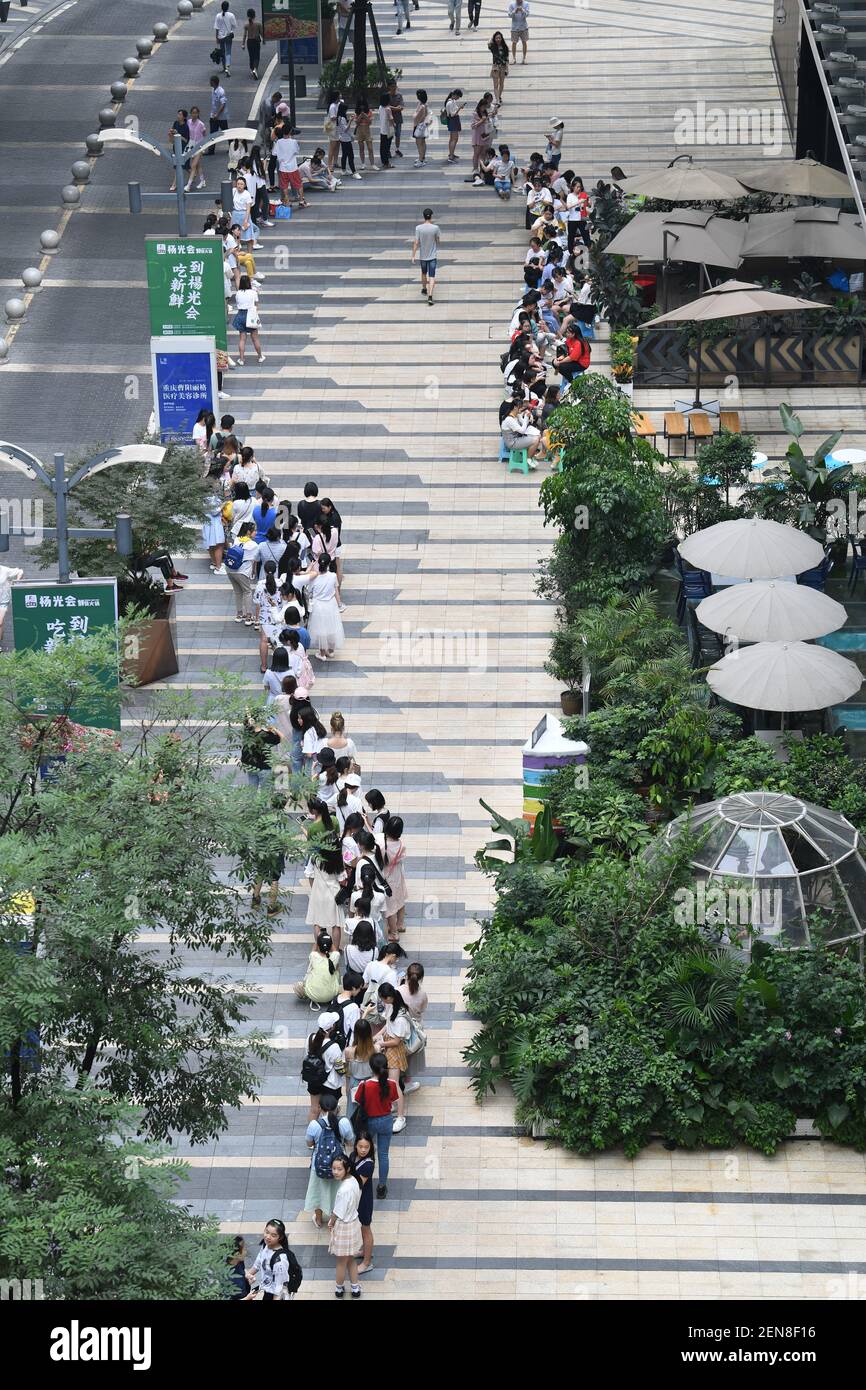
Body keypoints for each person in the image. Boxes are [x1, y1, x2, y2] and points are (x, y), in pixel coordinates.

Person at [304, 1092, 354, 1228]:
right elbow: (350, 1142)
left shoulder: (314, 1125)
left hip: (319, 1166)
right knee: (337, 1193)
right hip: (339, 1166)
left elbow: (309, 1144)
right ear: (337, 1108)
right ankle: (334, 1219)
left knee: (318, 1192)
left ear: (320, 1108)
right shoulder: (343, 1122)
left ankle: (319, 1219)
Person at [353, 1053, 398, 1197]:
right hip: (386, 1121)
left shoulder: (365, 1085)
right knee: (384, 1154)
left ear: (371, 1067)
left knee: (365, 1151)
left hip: (369, 1122)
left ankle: (363, 1178)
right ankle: (381, 1186)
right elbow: (393, 1100)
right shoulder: (391, 1084)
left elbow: (358, 1100)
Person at [328, 1155, 362, 1297]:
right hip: (354, 1224)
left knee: (341, 1261)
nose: (335, 1172)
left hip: (343, 1226)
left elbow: (338, 1212)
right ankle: (355, 1287)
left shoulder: (343, 1190)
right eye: (334, 1168)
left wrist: (331, 1221)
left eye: (339, 1169)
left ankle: (339, 1288)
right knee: (351, 1259)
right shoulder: (354, 1180)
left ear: (347, 1169)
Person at [242, 1220, 295, 1300]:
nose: (268, 1237)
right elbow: (258, 1264)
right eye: (267, 1232)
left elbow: (280, 1288)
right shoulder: (266, 1245)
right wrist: (244, 1278)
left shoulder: (280, 1260)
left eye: (273, 1235)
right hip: (268, 1287)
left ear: (280, 1237)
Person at [398, 961, 428, 1094]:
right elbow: (422, 1009)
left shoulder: (398, 990)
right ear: (421, 978)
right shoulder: (422, 994)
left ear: (406, 975)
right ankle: (407, 1081)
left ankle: (397, 1076)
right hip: (415, 1028)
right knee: (410, 1054)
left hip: (399, 1026)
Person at [307, 554, 344, 660]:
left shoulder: (314, 578)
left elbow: (309, 591)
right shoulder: (332, 576)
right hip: (331, 604)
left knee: (321, 629)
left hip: (318, 605)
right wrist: (339, 603)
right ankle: (331, 651)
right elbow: (336, 591)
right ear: (328, 564)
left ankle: (322, 653)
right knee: (333, 626)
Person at [295, 935, 342, 1011]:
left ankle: (309, 995)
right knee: (336, 967)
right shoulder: (335, 956)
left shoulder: (314, 956)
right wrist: (329, 941)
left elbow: (313, 950)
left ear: (318, 946)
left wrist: (318, 939)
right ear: (331, 945)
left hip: (313, 995)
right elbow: (335, 951)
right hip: (331, 995)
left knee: (297, 986)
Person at [351, 1133, 376, 1273]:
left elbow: (358, 1183)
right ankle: (363, 1251)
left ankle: (366, 1263)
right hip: (355, 1199)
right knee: (360, 1227)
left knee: (366, 1229)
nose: (363, 1150)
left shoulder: (368, 1164)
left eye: (366, 1147)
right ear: (356, 1145)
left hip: (364, 1201)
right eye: (360, 1146)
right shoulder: (352, 1156)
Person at [240, 710, 281, 790]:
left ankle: (251, 802)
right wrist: (274, 729)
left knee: (252, 789)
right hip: (264, 766)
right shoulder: (266, 735)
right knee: (265, 792)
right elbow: (281, 738)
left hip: (250, 765)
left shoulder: (247, 731)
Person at [383, 815, 409, 938]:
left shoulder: (382, 845)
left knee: (390, 907)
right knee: (400, 900)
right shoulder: (401, 845)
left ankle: (393, 933)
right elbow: (401, 858)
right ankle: (400, 924)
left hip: (386, 877)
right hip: (397, 875)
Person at [232, 274, 265, 365]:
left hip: (241, 315)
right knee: (255, 339)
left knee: (242, 339)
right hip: (250, 316)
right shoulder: (253, 292)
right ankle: (260, 357)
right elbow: (257, 305)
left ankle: (242, 359)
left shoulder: (238, 293)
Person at [273, 123, 307, 207]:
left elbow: (274, 153)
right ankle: (302, 201)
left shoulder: (278, 142)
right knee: (298, 184)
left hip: (282, 168)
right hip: (293, 167)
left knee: (284, 186)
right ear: (290, 131)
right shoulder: (294, 142)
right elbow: (297, 151)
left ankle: (287, 201)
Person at [412, 207, 440, 307]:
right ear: (431, 216)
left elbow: (416, 242)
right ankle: (430, 296)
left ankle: (424, 288)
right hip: (432, 256)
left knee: (424, 273)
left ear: (423, 217)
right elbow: (438, 240)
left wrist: (413, 255)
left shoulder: (418, 228)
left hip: (423, 256)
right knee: (432, 276)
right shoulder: (435, 228)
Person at [554, 319, 591, 383]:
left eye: (568, 332)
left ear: (573, 334)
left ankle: (572, 381)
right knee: (554, 362)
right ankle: (569, 377)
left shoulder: (578, 343)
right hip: (575, 360)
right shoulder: (571, 339)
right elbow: (566, 347)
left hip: (581, 364)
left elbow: (571, 358)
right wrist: (560, 358)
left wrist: (560, 362)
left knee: (561, 366)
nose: (566, 333)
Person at [335, 101, 361, 179]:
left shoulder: (339, 117)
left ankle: (343, 170)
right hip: (346, 139)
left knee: (345, 155)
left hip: (342, 138)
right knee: (350, 156)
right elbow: (346, 129)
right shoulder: (342, 118)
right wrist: (350, 121)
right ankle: (354, 172)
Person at [184, 107, 207, 190]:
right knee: (197, 165)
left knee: (193, 165)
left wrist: (203, 146)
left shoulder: (201, 124)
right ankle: (202, 181)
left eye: (196, 113)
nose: (194, 114)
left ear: (198, 114)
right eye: (193, 113)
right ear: (191, 113)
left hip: (199, 146)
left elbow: (204, 135)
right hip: (191, 145)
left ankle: (188, 185)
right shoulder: (188, 122)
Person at [167, 109, 189, 193]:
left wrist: (178, 133)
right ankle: (193, 173)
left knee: (177, 165)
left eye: (180, 115)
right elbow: (172, 132)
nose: (178, 116)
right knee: (185, 166)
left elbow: (186, 140)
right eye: (178, 114)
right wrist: (171, 132)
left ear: (184, 117)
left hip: (183, 147)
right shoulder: (176, 123)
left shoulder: (186, 127)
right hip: (175, 146)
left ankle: (174, 184)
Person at [214, 2, 237, 74]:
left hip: (221, 37)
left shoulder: (218, 16)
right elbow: (234, 25)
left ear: (221, 7)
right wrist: (231, 31)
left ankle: (224, 67)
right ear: (228, 7)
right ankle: (227, 67)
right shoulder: (231, 15)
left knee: (222, 52)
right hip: (228, 36)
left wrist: (217, 38)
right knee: (228, 52)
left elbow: (217, 28)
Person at [208, 75, 229, 151]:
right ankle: (211, 150)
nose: (209, 83)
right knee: (212, 133)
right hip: (213, 116)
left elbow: (223, 104)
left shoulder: (221, 91)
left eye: (210, 81)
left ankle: (232, 147)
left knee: (226, 132)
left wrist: (218, 114)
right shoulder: (213, 90)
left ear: (213, 82)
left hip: (221, 117)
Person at [242, 7, 263, 79]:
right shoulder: (258, 24)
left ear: (248, 15)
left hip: (249, 42)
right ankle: (255, 69)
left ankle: (252, 69)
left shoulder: (246, 25)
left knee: (251, 56)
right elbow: (261, 33)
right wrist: (264, 40)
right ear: (255, 15)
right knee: (257, 56)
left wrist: (243, 44)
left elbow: (245, 35)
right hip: (256, 41)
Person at [354, 99, 375, 170]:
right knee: (361, 148)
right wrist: (360, 115)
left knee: (370, 148)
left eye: (363, 105)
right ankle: (363, 164)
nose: (362, 107)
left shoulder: (369, 112)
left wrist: (364, 115)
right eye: (360, 105)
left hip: (367, 131)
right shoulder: (356, 113)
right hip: (359, 131)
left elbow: (370, 122)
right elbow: (356, 122)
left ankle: (372, 164)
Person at [489, 31, 509, 103]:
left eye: (499, 38)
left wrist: (507, 68)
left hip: (503, 67)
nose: (498, 39)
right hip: (495, 67)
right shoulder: (493, 47)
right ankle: (497, 100)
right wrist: (492, 38)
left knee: (502, 83)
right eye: (496, 38)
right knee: (495, 84)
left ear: (502, 38)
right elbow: (489, 43)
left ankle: (499, 96)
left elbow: (507, 59)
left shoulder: (505, 47)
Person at [445, 89, 465, 163]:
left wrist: (459, 107)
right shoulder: (450, 103)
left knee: (452, 139)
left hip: (453, 120)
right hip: (453, 120)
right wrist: (459, 108)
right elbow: (452, 114)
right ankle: (451, 156)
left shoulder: (452, 101)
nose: (458, 98)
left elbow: (455, 110)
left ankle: (451, 153)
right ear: (455, 95)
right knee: (454, 139)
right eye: (458, 97)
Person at [411, 89, 429, 168]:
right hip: (423, 125)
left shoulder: (421, 106)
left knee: (419, 144)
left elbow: (415, 116)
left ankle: (421, 160)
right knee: (423, 142)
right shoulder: (425, 104)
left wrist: (414, 113)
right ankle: (422, 157)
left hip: (419, 126)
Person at [388, 79, 405, 156]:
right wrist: (396, 108)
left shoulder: (399, 95)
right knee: (389, 136)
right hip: (389, 120)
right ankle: (388, 150)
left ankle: (397, 149)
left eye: (395, 86)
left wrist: (392, 108)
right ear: (389, 87)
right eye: (392, 86)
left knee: (398, 135)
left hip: (398, 119)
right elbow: (386, 107)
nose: (394, 88)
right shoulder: (387, 96)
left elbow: (401, 107)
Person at [377, 90, 395, 169]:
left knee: (382, 147)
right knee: (387, 147)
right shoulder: (388, 109)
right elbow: (391, 118)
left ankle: (383, 161)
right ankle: (387, 163)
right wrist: (394, 124)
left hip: (382, 130)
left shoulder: (380, 107)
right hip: (388, 130)